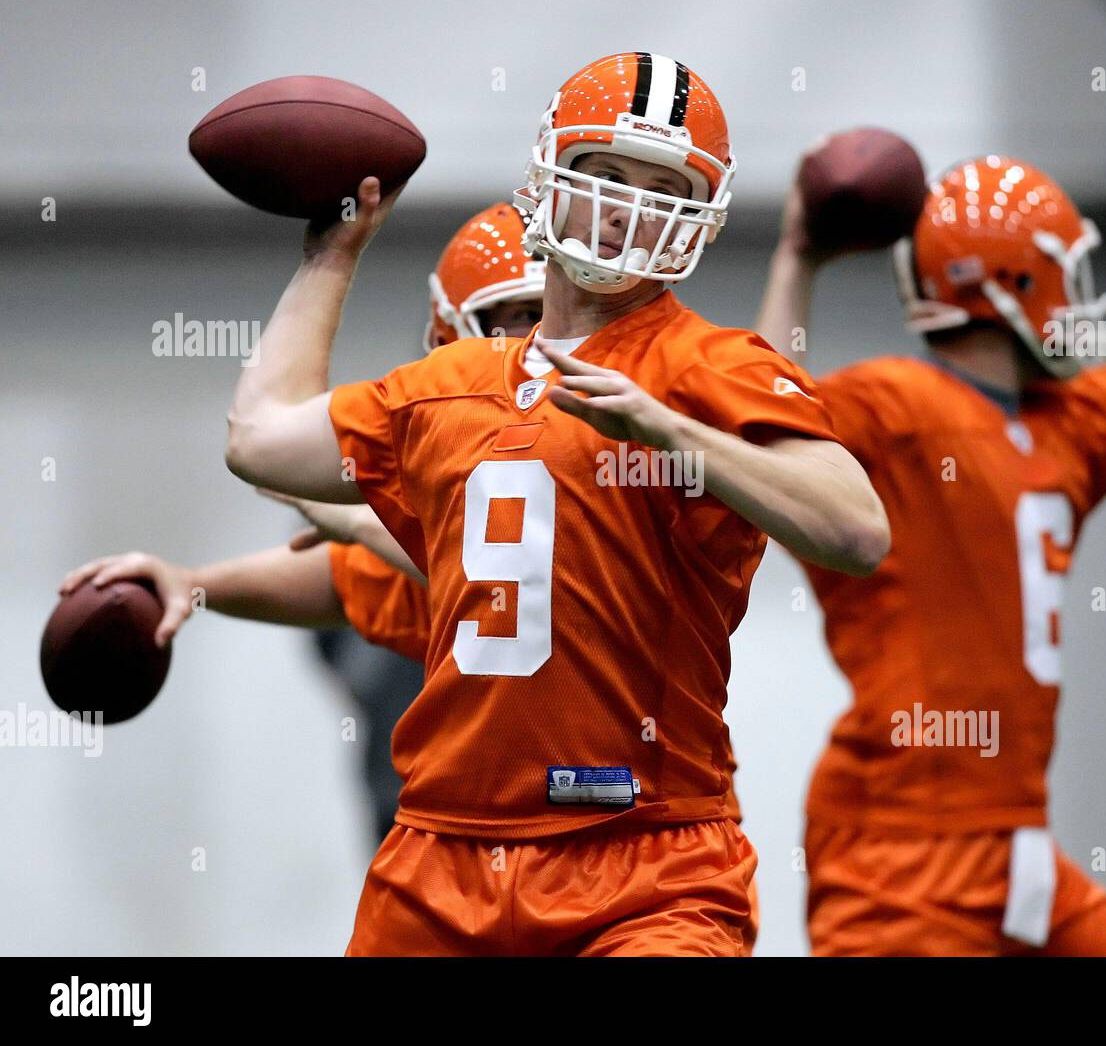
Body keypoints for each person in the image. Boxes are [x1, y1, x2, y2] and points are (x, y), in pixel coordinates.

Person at [222, 51, 890, 956]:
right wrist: (331, 254)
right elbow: (259, 441)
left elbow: (856, 529)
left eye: (662, 187)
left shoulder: (713, 368)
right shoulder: (450, 383)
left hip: (644, 860)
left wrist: (676, 435)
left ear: (701, 212)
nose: (626, 210)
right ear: (550, 173)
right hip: (440, 853)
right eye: (606, 175)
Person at [756, 149, 1106, 956]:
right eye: (1064, 272)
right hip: (902, 843)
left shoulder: (1072, 416)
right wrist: (796, 259)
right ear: (1011, 285)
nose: (1081, 298)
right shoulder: (898, 406)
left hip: (1018, 836)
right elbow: (761, 429)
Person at [60, 203, 546, 849]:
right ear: (454, 339)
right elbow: (356, 575)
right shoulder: (453, 484)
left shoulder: (648, 461)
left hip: (627, 862)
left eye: (578, 320)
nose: (551, 346)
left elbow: (536, 578)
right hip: (457, 860)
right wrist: (195, 582)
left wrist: (363, 523)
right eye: (527, 317)